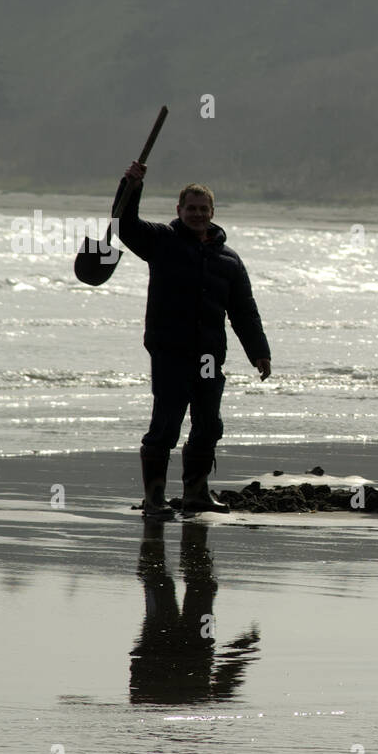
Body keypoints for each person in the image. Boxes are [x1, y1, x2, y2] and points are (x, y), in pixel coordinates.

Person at [118, 161, 272, 515]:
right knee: (165, 426)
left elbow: (244, 310)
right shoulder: (161, 242)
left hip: (208, 358)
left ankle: (196, 494)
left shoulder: (229, 260)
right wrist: (132, 185)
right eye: (191, 208)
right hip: (170, 353)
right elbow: (123, 225)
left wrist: (259, 352)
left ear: (213, 212)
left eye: (204, 209)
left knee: (208, 425)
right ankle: (154, 499)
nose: (198, 214)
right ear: (179, 210)